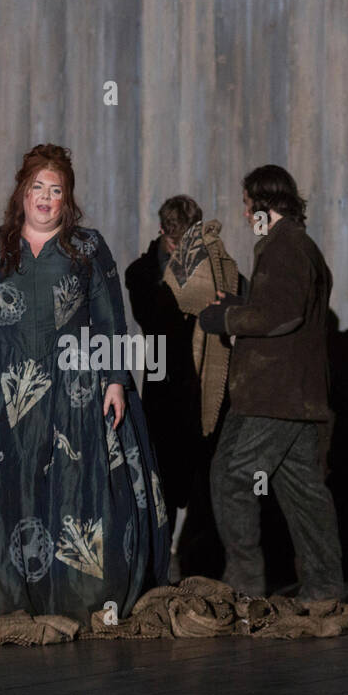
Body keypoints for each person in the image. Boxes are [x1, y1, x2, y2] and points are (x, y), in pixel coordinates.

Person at [0, 143, 169, 622]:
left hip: (75, 385)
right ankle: (3, 596)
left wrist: (116, 381)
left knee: (72, 484)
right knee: (4, 485)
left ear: (68, 198)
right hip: (1, 386)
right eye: (37, 188)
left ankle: (79, 596)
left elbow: (110, 319)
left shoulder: (88, 246)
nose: (45, 198)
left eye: (55, 190)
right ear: (21, 192)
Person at [197, 165, 342, 601]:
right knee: (301, 491)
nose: (244, 214)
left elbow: (281, 316)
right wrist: (242, 304)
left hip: (271, 396)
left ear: (262, 203)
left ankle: (243, 584)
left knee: (229, 476)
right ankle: (324, 587)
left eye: (246, 204)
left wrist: (223, 317)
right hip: (299, 397)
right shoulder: (297, 245)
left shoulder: (284, 247)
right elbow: (284, 309)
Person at [125, 195, 229, 580]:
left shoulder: (217, 267)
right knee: (163, 490)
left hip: (208, 395)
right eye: (176, 242)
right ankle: (155, 572)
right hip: (167, 396)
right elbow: (153, 318)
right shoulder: (141, 273)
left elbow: (236, 303)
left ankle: (199, 571)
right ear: (163, 235)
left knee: (206, 490)